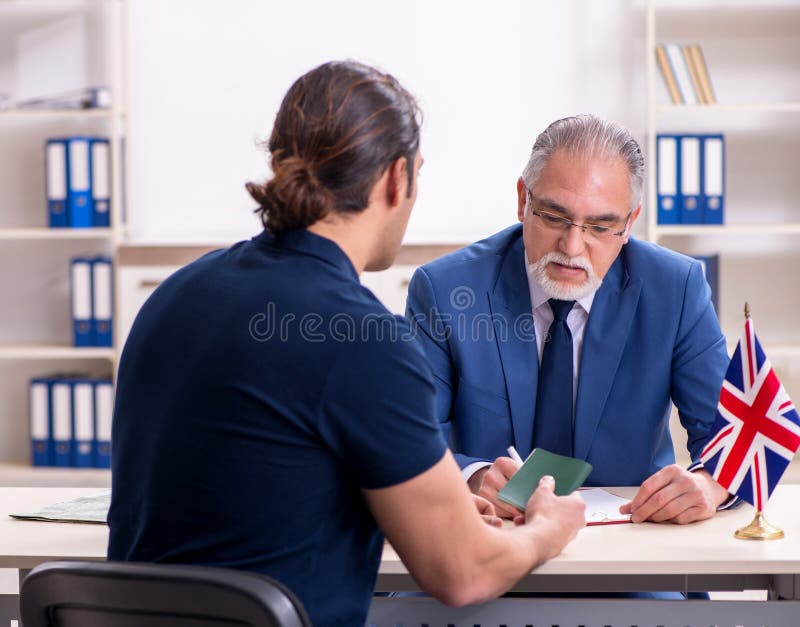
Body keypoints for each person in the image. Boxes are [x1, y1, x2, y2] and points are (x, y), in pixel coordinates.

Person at [107, 61, 585, 627]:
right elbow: (464, 573)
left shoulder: (175, 295)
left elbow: (257, 477)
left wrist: (424, 506)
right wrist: (547, 532)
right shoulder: (364, 339)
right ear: (396, 179)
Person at [406, 114, 734, 526]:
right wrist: (471, 478)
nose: (573, 246)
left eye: (600, 226)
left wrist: (708, 482)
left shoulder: (675, 288)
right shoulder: (444, 291)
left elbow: (732, 436)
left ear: (630, 223)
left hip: (633, 554)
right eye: (555, 218)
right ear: (523, 199)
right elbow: (410, 442)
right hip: (488, 540)